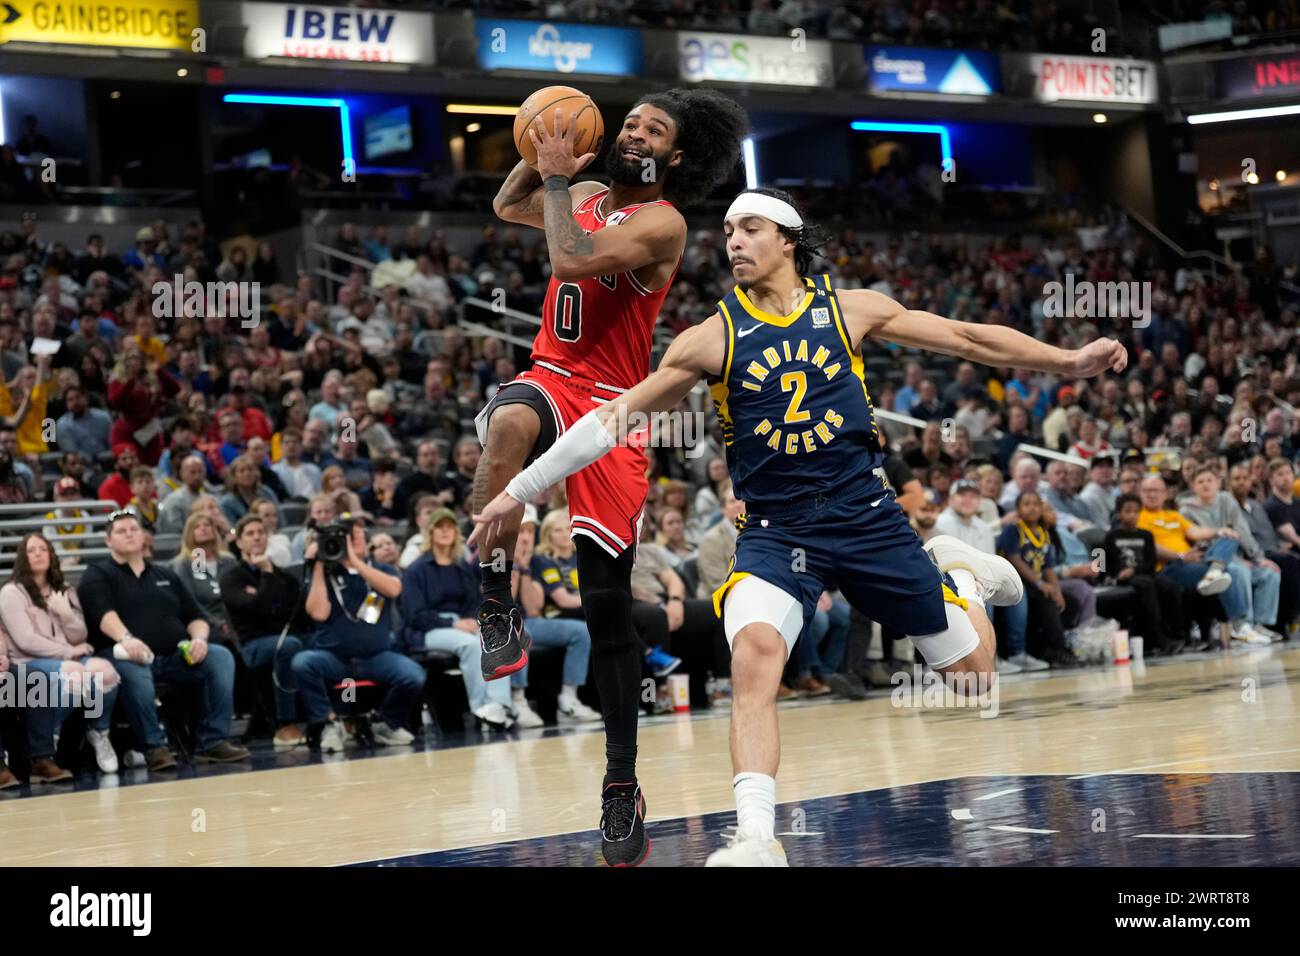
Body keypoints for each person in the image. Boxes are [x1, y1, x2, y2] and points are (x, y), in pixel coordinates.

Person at [472, 186, 1127, 866]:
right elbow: (615, 416)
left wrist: (1068, 362)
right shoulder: (711, 337)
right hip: (778, 531)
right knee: (754, 657)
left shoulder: (850, 310)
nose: (732, 241)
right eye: (726, 230)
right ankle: (757, 838)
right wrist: (522, 486)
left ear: (788, 238)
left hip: (869, 522)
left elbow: (965, 337)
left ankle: (957, 570)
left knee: (973, 677)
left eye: (749, 228)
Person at [471, 88, 748, 865]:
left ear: (677, 155)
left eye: (652, 129)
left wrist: (558, 180)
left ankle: (620, 783)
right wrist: (544, 148)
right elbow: (504, 203)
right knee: (507, 430)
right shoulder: (585, 190)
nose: (633, 132)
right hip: (554, 376)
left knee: (605, 609)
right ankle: (497, 603)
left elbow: (570, 258)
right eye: (629, 121)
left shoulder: (663, 224)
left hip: (619, 411)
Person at [77, 511, 251, 769]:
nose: (129, 534)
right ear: (108, 542)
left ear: (143, 535)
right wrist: (126, 638)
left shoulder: (165, 574)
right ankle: (154, 746)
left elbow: (195, 616)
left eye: (134, 529)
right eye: (121, 531)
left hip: (172, 656)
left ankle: (212, 742)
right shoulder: (98, 574)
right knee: (135, 670)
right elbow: (103, 614)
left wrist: (199, 640)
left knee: (220, 657)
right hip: (120, 654)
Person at [294, 514, 422, 751]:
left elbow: (394, 589)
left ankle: (384, 724)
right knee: (303, 663)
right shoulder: (327, 573)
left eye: (356, 537)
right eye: (346, 539)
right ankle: (328, 724)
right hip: (334, 658)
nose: (351, 542)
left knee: (413, 675)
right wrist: (320, 563)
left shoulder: (381, 569)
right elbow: (318, 613)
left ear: (366, 540)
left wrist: (355, 561)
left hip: (376, 657)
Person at [0, 533, 122, 781]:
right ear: (22, 557)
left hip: (65, 659)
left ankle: (99, 732)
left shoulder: (64, 590)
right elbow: (26, 640)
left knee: (104, 670)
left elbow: (80, 635)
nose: (38, 554)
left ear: (52, 555)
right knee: (74, 672)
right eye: (31, 550)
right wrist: (67, 652)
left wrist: (66, 614)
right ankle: (49, 739)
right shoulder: (12, 592)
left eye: (43, 549)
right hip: (28, 659)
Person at [398, 508, 516, 729]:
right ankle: (481, 707)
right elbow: (415, 615)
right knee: (471, 645)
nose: (445, 531)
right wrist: (453, 623)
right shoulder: (416, 570)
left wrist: (475, 621)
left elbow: (473, 603)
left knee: (500, 637)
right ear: (430, 532)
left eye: (449, 527)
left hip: (463, 624)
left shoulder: (461, 567)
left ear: (455, 532)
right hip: (427, 629)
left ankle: (499, 705)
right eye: (439, 527)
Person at [1138, 473, 1271, 645]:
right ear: (1140, 493)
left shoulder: (1173, 515)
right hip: (1170, 566)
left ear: (1165, 494)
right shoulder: (1139, 517)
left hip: (1193, 562)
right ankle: (1239, 625)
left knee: (1229, 536)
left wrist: (1219, 531)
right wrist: (1181, 556)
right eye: (1147, 491)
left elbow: (1195, 532)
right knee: (1231, 571)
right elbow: (1150, 546)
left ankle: (1215, 571)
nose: (1151, 494)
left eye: (1156, 490)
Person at [220, 514, 309, 748]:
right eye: (250, 533)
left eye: (261, 532)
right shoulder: (231, 577)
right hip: (252, 645)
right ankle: (285, 724)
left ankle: (332, 718)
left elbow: (294, 612)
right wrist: (267, 575)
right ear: (238, 542)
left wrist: (266, 592)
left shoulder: (285, 576)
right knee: (289, 646)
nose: (257, 537)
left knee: (324, 644)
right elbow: (256, 608)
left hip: (287, 638)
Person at [509, 506, 602, 726]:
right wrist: (514, 566)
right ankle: (518, 702)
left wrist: (524, 569)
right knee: (520, 631)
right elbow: (506, 602)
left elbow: (533, 609)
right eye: (521, 532)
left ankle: (569, 700)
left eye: (530, 532)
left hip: (532, 620)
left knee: (580, 632)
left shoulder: (540, 561)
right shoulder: (496, 557)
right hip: (503, 623)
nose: (525, 538)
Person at [1103, 493, 1188, 655]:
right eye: (1128, 511)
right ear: (1119, 514)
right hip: (1122, 578)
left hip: (1143, 574)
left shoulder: (1146, 535)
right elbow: (1100, 560)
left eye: (1136, 511)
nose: (1132, 515)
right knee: (1146, 585)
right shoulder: (1110, 536)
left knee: (1169, 585)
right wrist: (1111, 575)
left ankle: (1178, 634)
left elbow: (1151, 563)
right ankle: (1157, 638)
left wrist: (1134, 570)